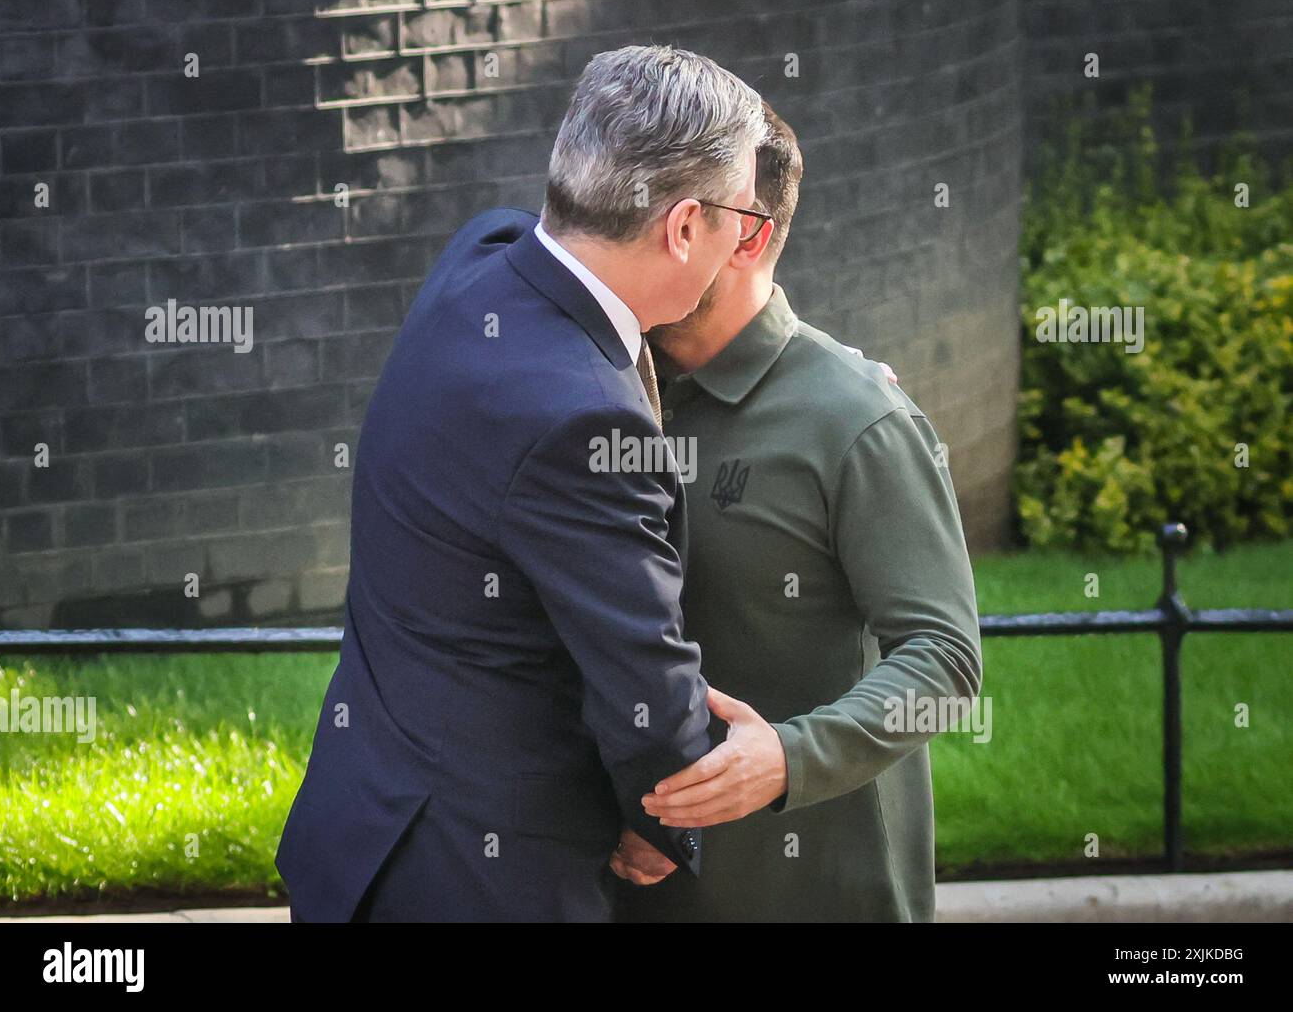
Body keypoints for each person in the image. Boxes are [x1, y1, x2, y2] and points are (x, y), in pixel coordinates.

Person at [275, 45, 768, 922]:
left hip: (362, 826)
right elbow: (645, 684)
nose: (749, 236)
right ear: (686, 226)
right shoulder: (588, 425)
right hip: (477, 880)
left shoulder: (485, 254)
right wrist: (669, 810)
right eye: (742, 213)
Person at [612, 102, 984, 922]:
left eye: (673, 215)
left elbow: (946, 659)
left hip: (821, 891)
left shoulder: (857, 420)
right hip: (638, 890)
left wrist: (784, 757)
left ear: (743, 235)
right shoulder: (606, 388)